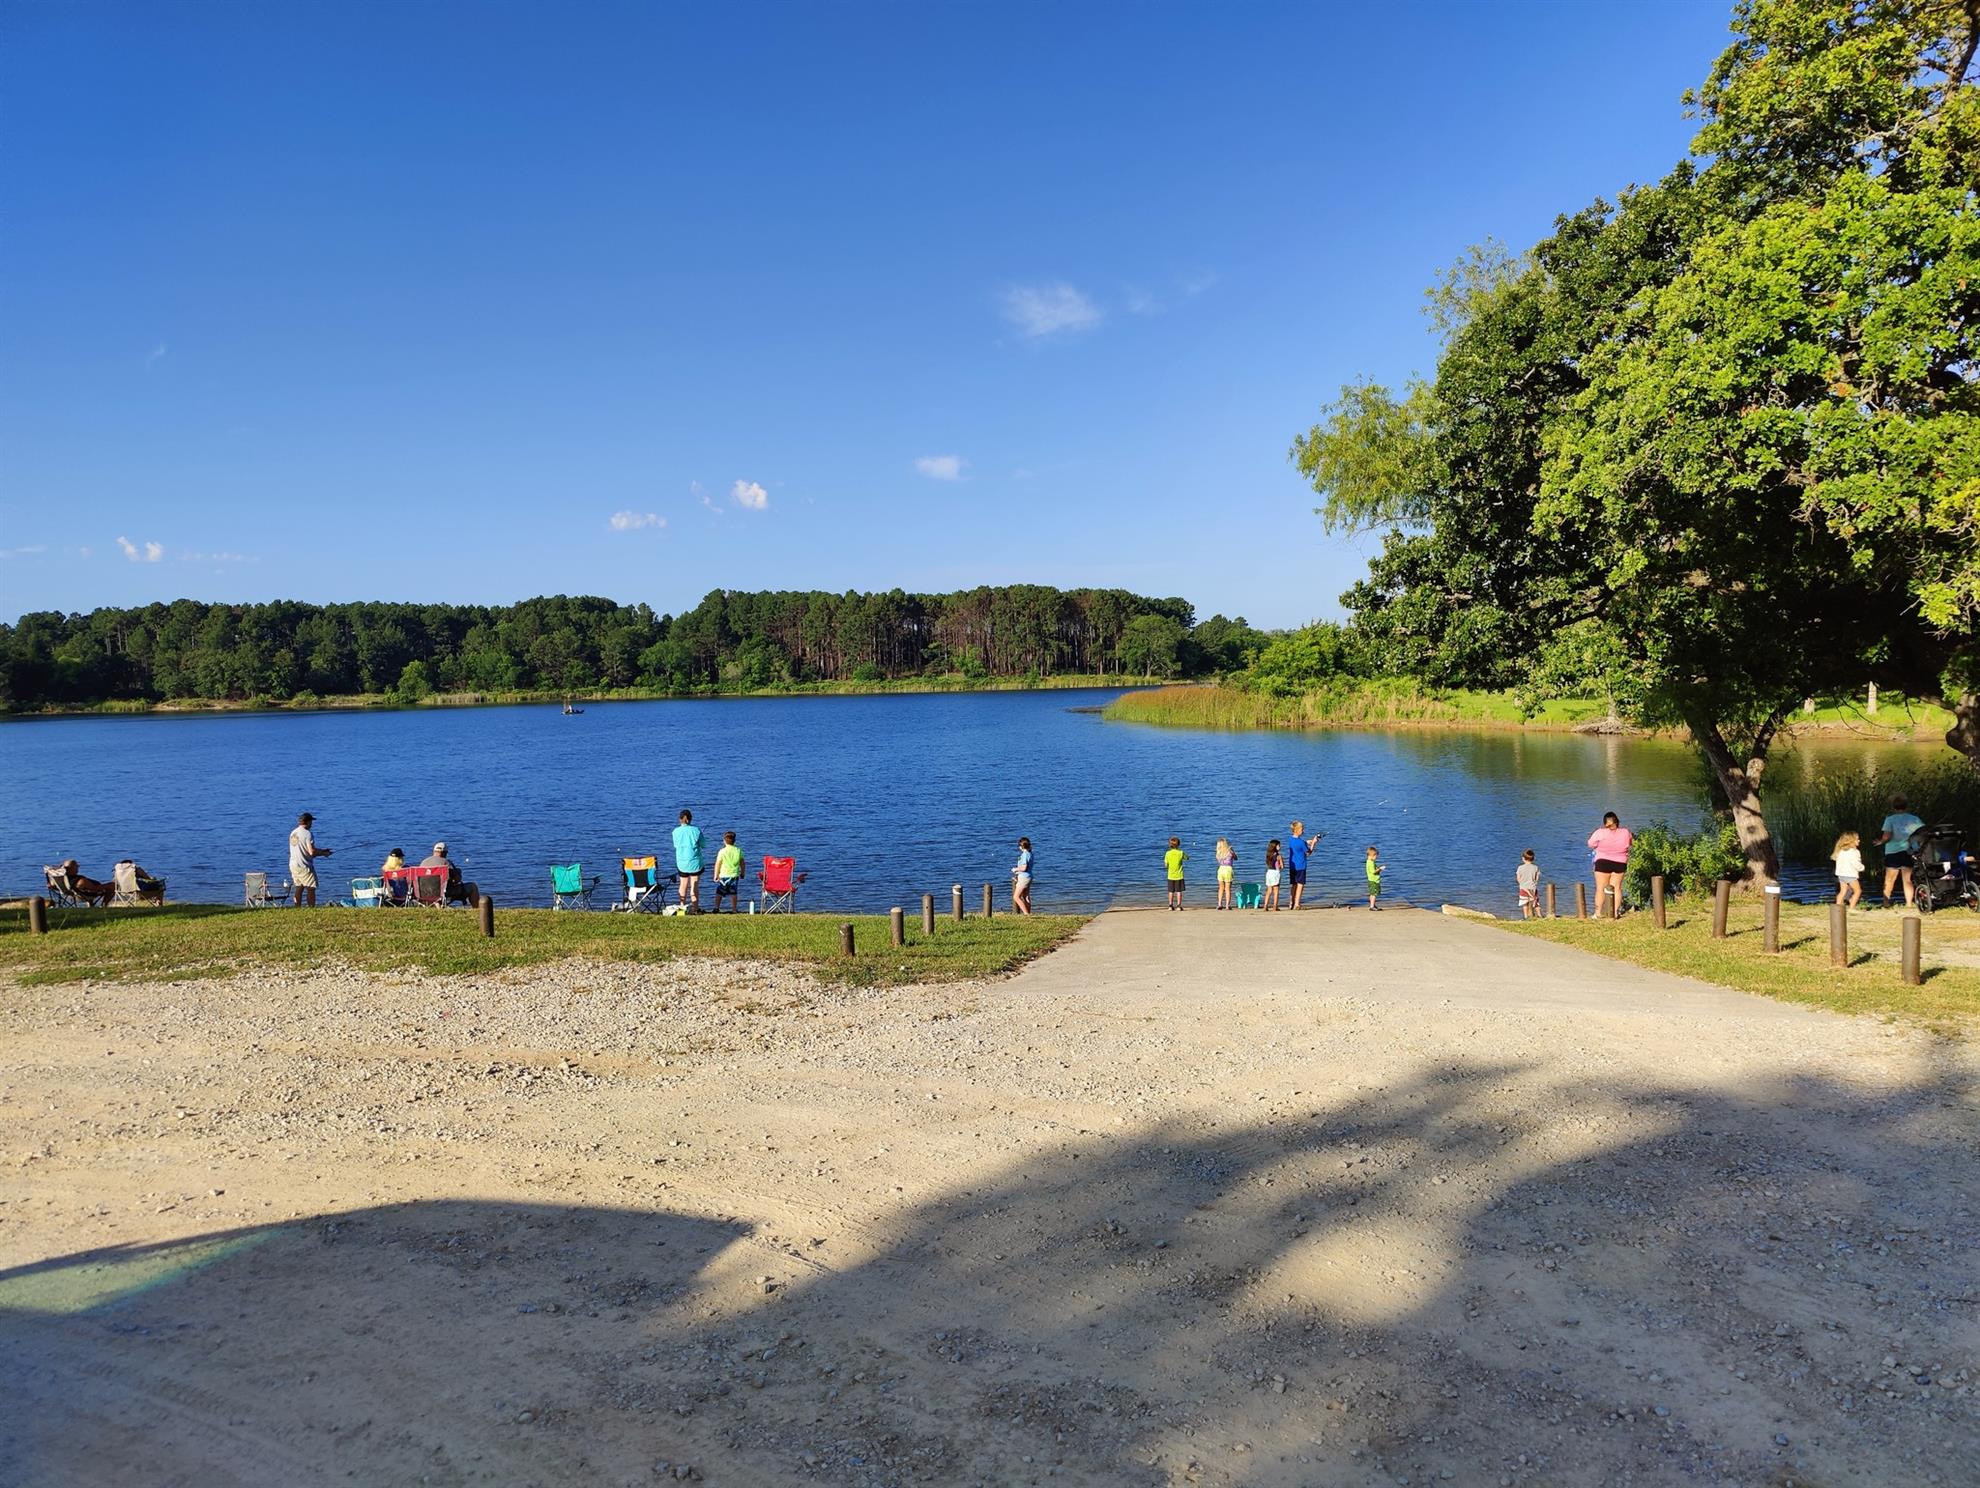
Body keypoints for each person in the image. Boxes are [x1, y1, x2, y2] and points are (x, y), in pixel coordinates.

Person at [1877, 793, 1926, 910]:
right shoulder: (1914, 819)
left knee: (1889, 879)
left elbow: (1887, 836)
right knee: (1907, 879)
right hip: (1908, 850)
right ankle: (1909, 903)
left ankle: (1886, 902)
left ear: (1893, 807)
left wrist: (1881, 842)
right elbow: (1923, 832)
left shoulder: (1890, 819)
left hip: (1893, 851)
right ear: (1906, 806)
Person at [1586, 811, 1632, 921]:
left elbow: (1590, 844)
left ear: (1605, 823)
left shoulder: (1600, 832)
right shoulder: (1625, 832)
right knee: (1617, 888)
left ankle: (1597, 913)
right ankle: (1614, 913)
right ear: (1617, 821)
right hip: (1620, 862)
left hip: (1602, 861)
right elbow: (1629, 843)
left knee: (1601, 888)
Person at [288, 812, 331, 908]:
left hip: (293, 864)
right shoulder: (307, 834)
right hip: (304, 865)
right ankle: (311, 908)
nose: (312, 824)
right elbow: (311, 852)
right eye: (311, 821)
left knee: (299, 887)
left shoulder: (293, 833)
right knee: (311, 887)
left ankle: (297, 907)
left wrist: (322, 850)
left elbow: (303, 849)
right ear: (307, 822)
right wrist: (324, 853)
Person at [672, 809, 705, 912]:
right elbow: (704, 845)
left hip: (681, 863)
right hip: (695, 863)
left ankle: (682, 906)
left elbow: (675, 845)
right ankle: (695, 908)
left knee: (683, 884)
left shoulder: (675, 831)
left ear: (680, 819)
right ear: (690, 819)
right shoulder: (696, 830)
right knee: (694, 885)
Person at [1285, 820, 1324, 909]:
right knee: (1300, 884)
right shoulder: (1301, 842)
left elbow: (1299, 844)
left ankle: (1291, 902)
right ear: (1296, 830)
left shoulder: (1291, 839)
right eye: (1302, 829)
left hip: (1292, 865)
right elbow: (1308, 853)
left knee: (1294, 884)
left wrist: (1307, 842)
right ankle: (1297, 904)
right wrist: (1313, 843)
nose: (1303, 831)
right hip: (1301, 866)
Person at [712, 831, 744, 912]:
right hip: (734, 875)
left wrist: (716, 875)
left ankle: (716, 907)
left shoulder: (722, 851)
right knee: (733, 893)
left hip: (723, 875)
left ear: (724, 841)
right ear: (734, 841)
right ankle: (734, 909)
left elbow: (718, 864)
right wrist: (742, 872)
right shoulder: (738, 850)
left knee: (719, 892)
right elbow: (742, 863)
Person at [1833, 830, 1864, 910]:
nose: (1859, 841)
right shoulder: (1855, 852)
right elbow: (1856, 864)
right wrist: (1862, 868)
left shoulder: (1840, 851)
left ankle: (1838, 908)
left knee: (1842, 891)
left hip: (1841, 875)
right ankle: (1851, 908)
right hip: (1850, 875)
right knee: (1858, 891)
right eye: (1857, 839)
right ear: (1851, 841)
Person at [1011, 837, 1034, 915]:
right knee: (1026, 896)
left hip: (1024, 877)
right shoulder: (1030, 854)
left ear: (1021, 846)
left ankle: (1026, 914)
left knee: (1016, 897)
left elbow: (1024, 868)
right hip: (1029, 876)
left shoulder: (1024, 855)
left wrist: (1016, 869)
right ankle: (1029, 913)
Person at [1516, 849, 1542, 920]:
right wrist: (1535, 883)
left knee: (1525, 903)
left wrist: (1521, 883)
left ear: (1523, 858)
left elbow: (1518, 878)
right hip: (1533, 888)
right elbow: (1537, 878)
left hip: (1523, 888)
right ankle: (1539, 915)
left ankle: (1526, 917)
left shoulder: (1520, 867)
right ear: (1533, 859)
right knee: (1536, 902)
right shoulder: (1535, 867)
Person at [1164, 837, 1187, 911]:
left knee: (1171, 891)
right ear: (1178, 845)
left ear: (1170, 845)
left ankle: (1170, 905)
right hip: (1179, 876)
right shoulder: (1181, 853)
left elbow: (1166, 864)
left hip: (1170, 876)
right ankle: (1178, 906)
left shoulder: (1167, 853)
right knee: (1179, 891)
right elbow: (1187, 858)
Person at [1214, 837, 1236, 910]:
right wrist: (1233, 851)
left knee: (1221, 888)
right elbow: (1236, 858)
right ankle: (1227, 905)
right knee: (1227, 889)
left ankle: (1219, 904)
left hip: (1220, 869)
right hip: (1228, 869)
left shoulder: (1218, 853)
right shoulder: (1229, 852)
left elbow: (1218, 860)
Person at [1262, 840, 1282, 911]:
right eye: (1279, 845)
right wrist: (1280, 865)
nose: (1280, 846)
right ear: (1275, 847)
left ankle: (1265, 906)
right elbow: (1282, 866)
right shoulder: (1278, 856)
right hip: (1275, 873)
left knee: (1269, 890)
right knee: (1276, 890)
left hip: (1269, 872)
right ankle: (1275, 906)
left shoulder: (1268, 855)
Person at [1364, 845, 1384, 910]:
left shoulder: (1368, 862)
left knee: (1372, 893)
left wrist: (1378, 868)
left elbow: (1372, 870)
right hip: (1374, 880)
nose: (1376, 857)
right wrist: (1380, 869)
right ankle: (1372, 906)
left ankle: (1372, 905)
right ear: (1371, 855)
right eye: (1376, 856)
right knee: (1374, 894)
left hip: (1371, 880)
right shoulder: (1371, 863)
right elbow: (1373, 872)